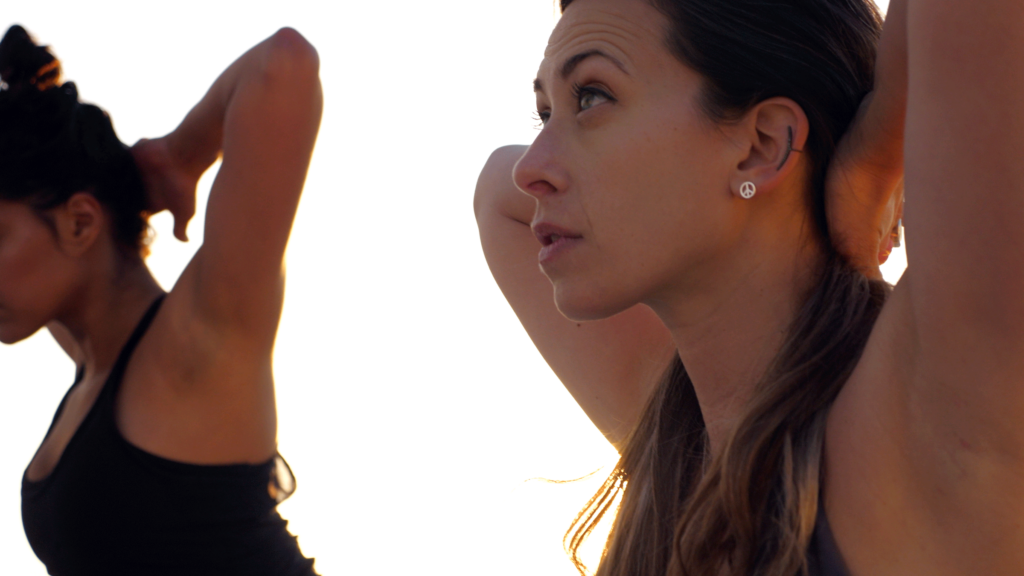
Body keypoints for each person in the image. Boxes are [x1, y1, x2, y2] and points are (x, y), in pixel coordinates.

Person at [476, 0, 1023, 574]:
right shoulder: (685, 440)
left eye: (591, 97)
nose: (531, 169)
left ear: (763, 144)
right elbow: (498, 192)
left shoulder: (928, 409)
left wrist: (877, 154)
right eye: (544, 113)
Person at [0, 24, 321, 575]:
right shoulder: (95, 359)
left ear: (80, 222)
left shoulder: (196, 345)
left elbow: (284, 63)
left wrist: (179, 154)